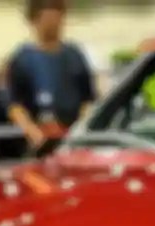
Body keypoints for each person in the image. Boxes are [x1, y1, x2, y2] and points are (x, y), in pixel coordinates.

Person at [6, 0, 97, 156]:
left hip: (73, 138)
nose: (53, 21)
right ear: (34, 19)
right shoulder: (22, 59)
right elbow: (15, 107)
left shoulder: (75, 55)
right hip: (40, 140)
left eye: (58, 14)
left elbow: (88, 100)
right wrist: (34, 134)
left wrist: (80, 130)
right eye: (47, 15)